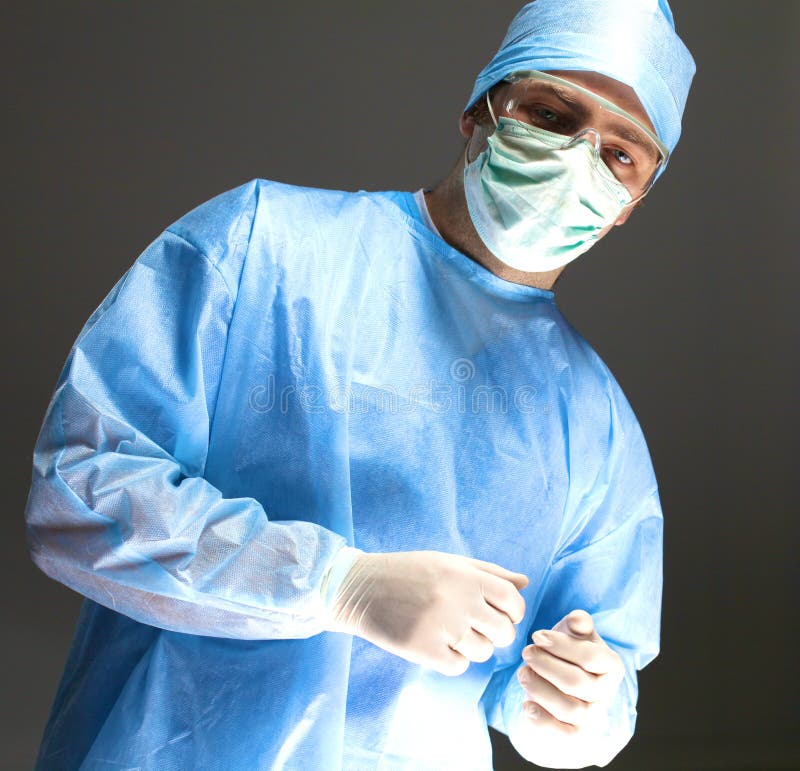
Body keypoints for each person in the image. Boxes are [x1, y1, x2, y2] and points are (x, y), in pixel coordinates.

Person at [24, 0, 695, 768]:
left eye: (620, 154)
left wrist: (574, 709)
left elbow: (581, 664)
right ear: (479, 111)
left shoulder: (593, 419)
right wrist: (337, 585)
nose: (578, 157)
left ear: (632, 204)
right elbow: (78, 487)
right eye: (550, 112)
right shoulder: (263, 247)